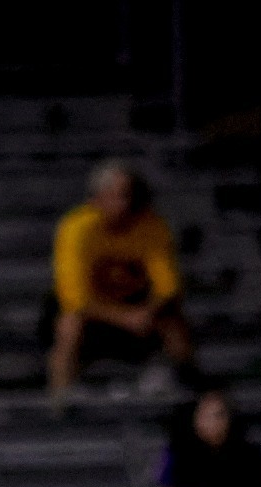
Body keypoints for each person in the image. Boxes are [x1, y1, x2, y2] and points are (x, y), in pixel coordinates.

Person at [47, 160, 194, 400]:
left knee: (173, 323)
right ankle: (60, 399)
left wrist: (146, 311)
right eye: (114, 197)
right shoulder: (76, 228)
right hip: (94, 312)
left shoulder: (151, 226)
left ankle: (191, 393)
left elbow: (168, 286)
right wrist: (126, 318)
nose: (122, 204)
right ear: (96, 199)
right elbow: (74, 298)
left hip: (137, 306)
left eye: (126, 196)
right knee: (68, 325)